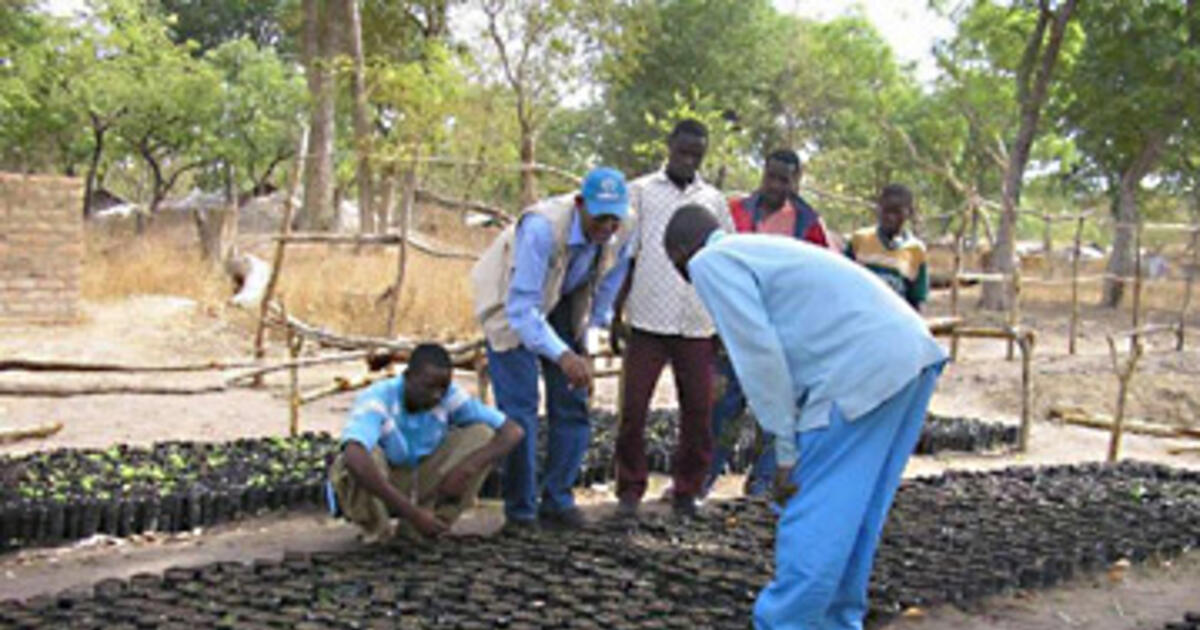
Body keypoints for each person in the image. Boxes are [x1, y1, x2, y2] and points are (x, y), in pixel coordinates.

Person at [663, 205, 947, 630]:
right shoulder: (758, 250)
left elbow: (759, 357)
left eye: (676, 266)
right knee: (856, 512)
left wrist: (784, 449)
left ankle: (787, 623)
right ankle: (836, 622)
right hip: (911, 355)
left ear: (681, 251)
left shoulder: (710, 262)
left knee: (815, 506)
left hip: (861, 367)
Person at [471, 166, 633, 530]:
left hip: (566, 300)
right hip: (511, 302)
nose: (608, 226)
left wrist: (585, 346)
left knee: (573, 401)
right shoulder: (542, 230)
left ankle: (558, 499)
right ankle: (521, 511)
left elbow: (605, 291)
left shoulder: (625, 231)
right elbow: (523, 310)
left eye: (614, 217)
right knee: (520, 410)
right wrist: (562, 355)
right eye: (600, 216)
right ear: (580, 204)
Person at [613, 119, 733, 519]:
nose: (688, 160)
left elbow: (724, 262)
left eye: (696, 155)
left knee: (698, 413)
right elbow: (626, 256)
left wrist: (723, 326)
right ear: (669, 147)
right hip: (648, 319)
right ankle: (629, 489)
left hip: (697, 323)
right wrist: (617, 314)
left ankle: (687, 490)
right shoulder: (642, 193)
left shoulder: (714, 200)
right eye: (682, 152)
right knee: (634, 410)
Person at [705, 149, 834, 498]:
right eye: (771, 176)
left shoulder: (808, 224)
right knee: (723, 410)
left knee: (777, 413)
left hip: (784, 334)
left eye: (785, 179)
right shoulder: (735, 213)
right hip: (736, 330)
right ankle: (703, 480)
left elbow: (820, 278)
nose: (776, 185)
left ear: (797, 181)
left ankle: (761, 484)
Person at [327, 343, 524, 542]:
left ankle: (429, 527)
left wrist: (466, 469)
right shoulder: (377, 399)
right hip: (379, 487)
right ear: (408, 377)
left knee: (481, 434)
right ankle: (377, 531)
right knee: (363, 454)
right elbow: (354, 455)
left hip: (417, 480)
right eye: (429, 387)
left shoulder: (449, 397)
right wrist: (412, 513)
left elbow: (512, 431)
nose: (437, 395)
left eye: (442, 388)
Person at [845, 184, 929, 311]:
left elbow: (916, 300)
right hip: (860, 317)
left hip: (895, 321)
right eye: (886, 211)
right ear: (878, 209)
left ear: (909, 213)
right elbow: (844, 284)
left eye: (897, 212)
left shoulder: (916, 251)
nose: (890, 217)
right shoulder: (860, 240)